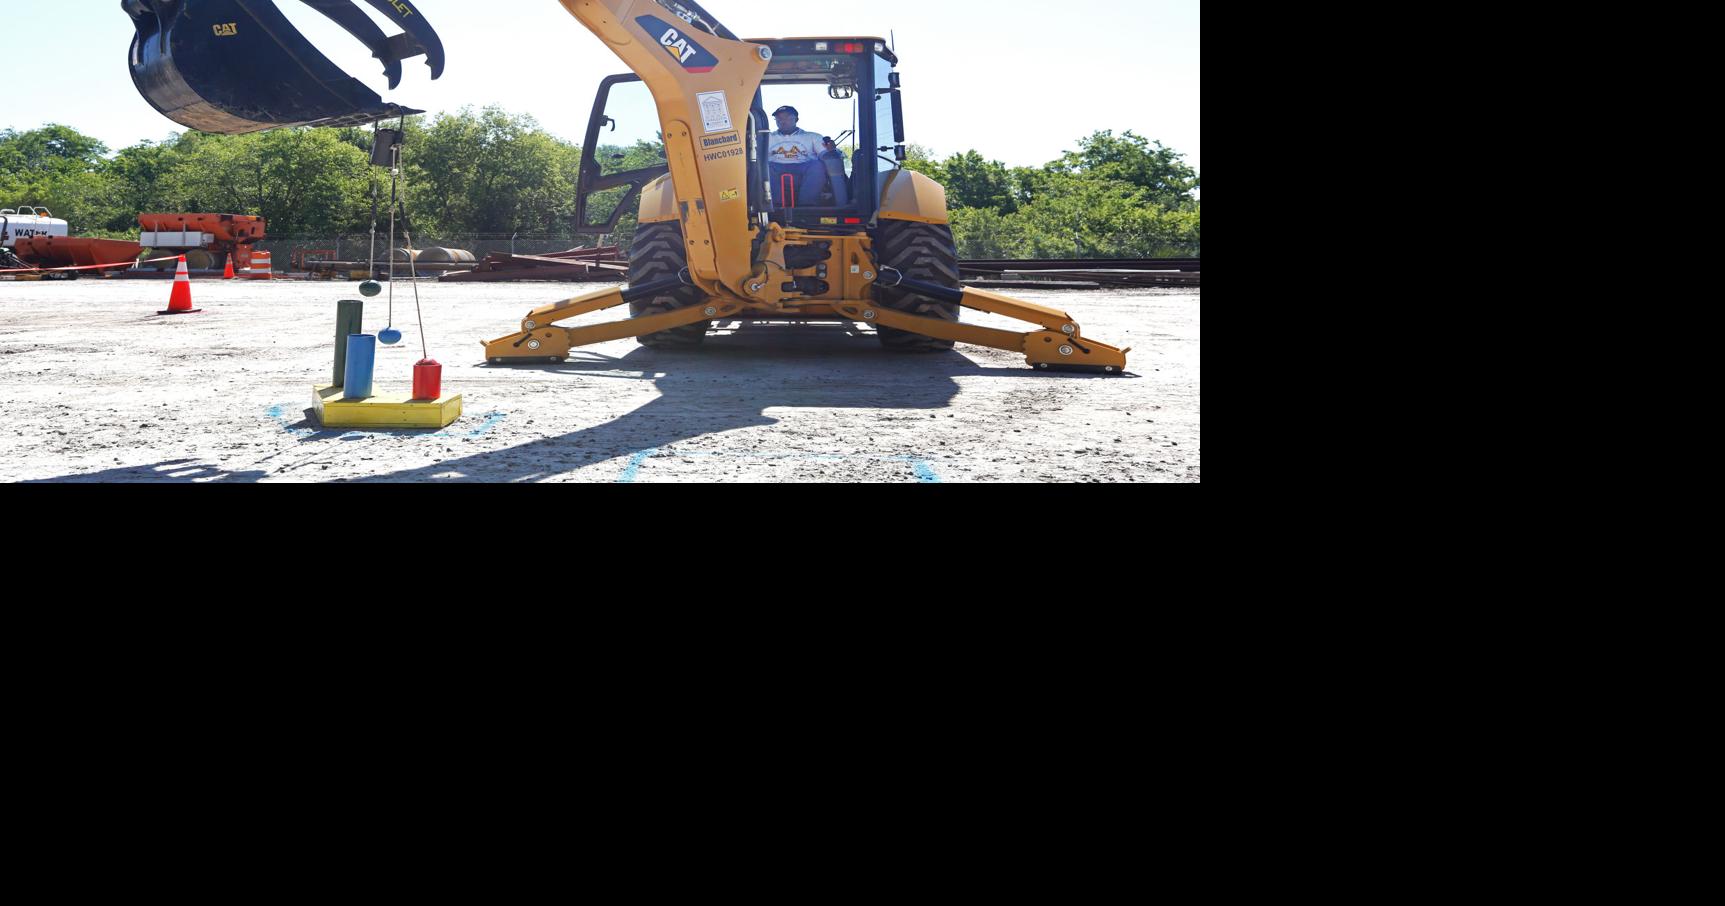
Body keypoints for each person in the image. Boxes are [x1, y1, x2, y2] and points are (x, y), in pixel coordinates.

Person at [767, 106, 829, 207]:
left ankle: (807, 206)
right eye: (779, 119)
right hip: (775, 167)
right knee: (763, 166)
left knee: (817, 165)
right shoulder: (766, 137)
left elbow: (824, 155)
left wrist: (830, 152)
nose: (782, 121)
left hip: (803, 167)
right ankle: (775, 205)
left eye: (787, 118)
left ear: (796, 119)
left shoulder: (813, 136)